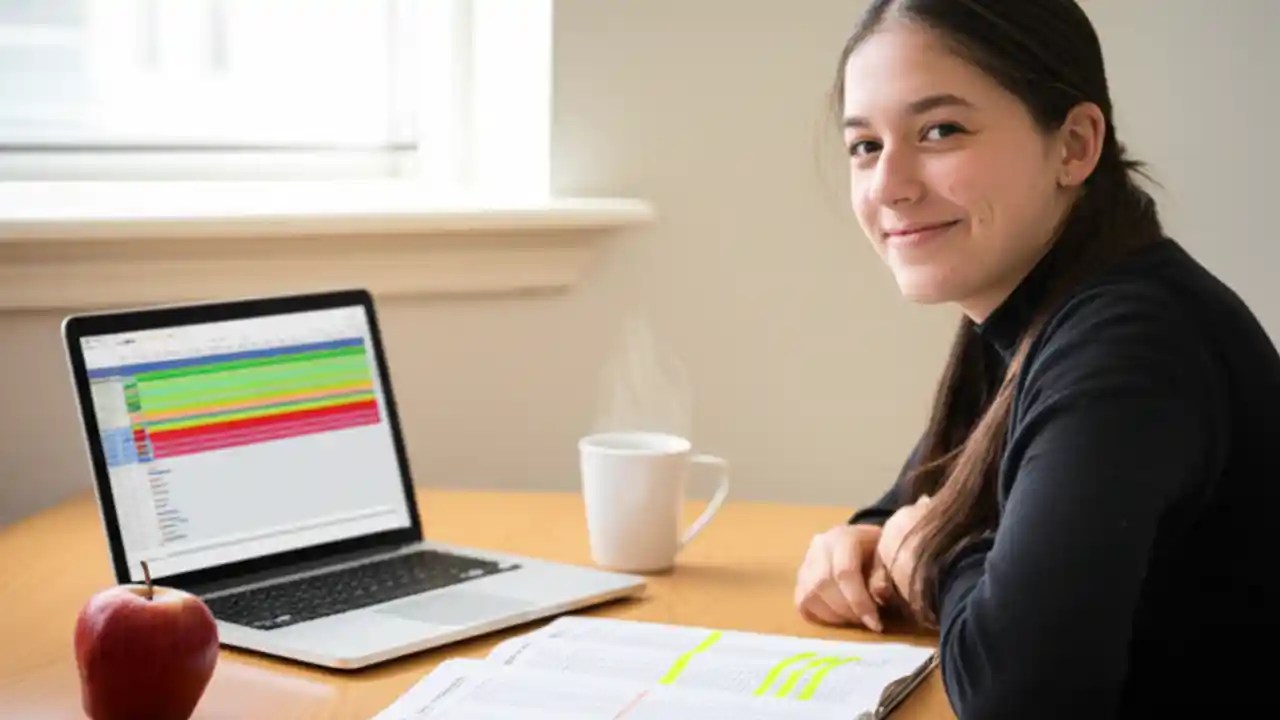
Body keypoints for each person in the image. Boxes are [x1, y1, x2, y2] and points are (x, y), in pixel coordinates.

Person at [792, 1, 1280, 717]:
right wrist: (865, 538)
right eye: (865, 145)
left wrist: (933, 556)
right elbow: (930, 497)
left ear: (1075, 145)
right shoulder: (1035, 303)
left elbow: (1020, 697)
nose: (888, 185)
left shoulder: (1129, 343)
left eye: (940, 130)